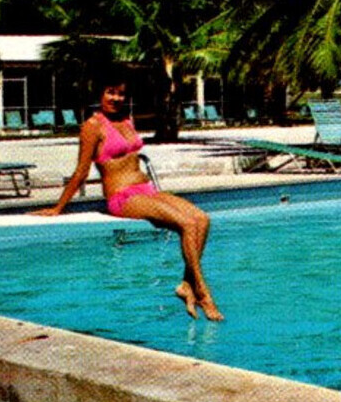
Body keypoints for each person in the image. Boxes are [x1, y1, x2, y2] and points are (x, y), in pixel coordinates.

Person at [34, 78, 222, 321]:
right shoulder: (92, 126)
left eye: (121, 94)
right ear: (100, 94)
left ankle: (187, 284)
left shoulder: (127, 120)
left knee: (202, 219)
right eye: (110, 92)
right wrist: (58, 208)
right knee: (186, 224)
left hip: (147, 190)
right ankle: (204, 293)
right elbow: (81, 171)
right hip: (122, 197)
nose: (116, 98)